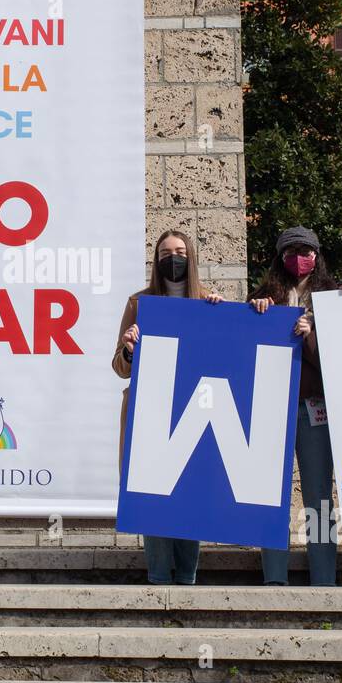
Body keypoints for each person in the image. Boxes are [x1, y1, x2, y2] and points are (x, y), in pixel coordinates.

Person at [112, 230, 221, 585]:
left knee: (190, 492)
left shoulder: (209, 301)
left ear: (190, 257)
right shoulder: (139, 303)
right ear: (156, 261)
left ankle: (187, 577)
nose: (172, 257)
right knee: (153, 493)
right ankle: (159, 576)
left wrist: (225, 319)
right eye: (164, 252)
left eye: (178, 251)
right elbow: (119, 367)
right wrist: (130, 348)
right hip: (150, 410)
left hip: (195, 408)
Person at [248, 226, 340, 586]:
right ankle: (274, 576)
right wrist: (256, 312)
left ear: (316, 255)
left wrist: (310, 335)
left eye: (305, 250)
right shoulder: (264, 296)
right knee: (271, 495)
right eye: (290, 251)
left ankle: (324, 578)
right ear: (279, 257)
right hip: (272, 406)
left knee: (319, 496)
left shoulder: (332, 297)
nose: (298, 258)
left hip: (315, 406)